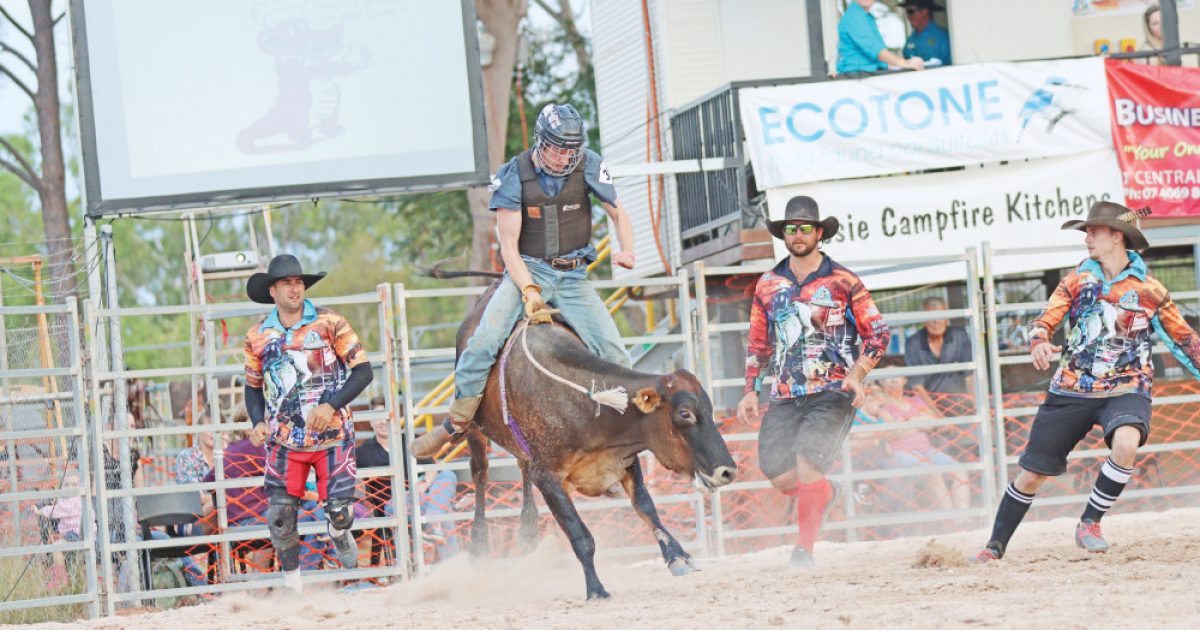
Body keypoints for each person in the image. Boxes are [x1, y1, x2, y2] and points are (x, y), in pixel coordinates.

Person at [974, 201, 1200, 562]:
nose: (1087, 239)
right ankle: (994, 546)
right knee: (1031, 475)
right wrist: (1039, 340)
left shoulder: (1150, 290)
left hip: (1128, 384)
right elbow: (1045, 320)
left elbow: (1185, 339)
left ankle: (1090, 522)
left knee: (1126, 443)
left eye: (1093, 232)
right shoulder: (1076, 281)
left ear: (1116, 236)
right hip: (1071, 387)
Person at [412, 103, 636, 457]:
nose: (563, 159)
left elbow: (617, 212)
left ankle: (624, 435)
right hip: (528, 270)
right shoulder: (514, 175)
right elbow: (509, 247)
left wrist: (627, 248)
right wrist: (529, 289)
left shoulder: (590, 164)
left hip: (575, 276)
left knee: (614, 352)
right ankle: (456, 422)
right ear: (540, 141)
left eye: (570, 152)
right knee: (484, 340)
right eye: (557, 149)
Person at [736, 195, 890, 568]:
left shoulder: (843, 280)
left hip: (834, 390)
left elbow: (878, 333)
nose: (798, 234)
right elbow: (759, 342)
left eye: (806, 227)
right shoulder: (768, 284)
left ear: (819, 233)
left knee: (807, 462)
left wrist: (857, 375)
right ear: (784, 234)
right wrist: (750, 391)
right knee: (776, 472)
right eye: (792, 228)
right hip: (786, 392)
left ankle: (803, 550)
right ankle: (823, 492)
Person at [242, 254, 374, 592]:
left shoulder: (330, 322)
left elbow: (363, 371)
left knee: (341, 510)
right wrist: (257, 421)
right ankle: (294, 588)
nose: (294, 288)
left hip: (333, 435)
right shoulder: (257, 336)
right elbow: (253, 386)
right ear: (272, 291)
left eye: (299, 282)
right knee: (281, 518)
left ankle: (339, 529)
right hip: (285, 440)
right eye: (287, 283)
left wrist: (330, 405)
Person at [904, 296, 975, 417]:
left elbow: (970, 376)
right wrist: (937, 414)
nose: (936, 322)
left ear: (947, 317)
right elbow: (917, 386)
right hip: (929, 407)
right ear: (923, 319)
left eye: (940, 316)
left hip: (961, 403)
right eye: (931, 317)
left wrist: (976, 406)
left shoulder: (959, 335)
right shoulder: (913, 343)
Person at [836, 0, 925, 75]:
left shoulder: (865, 16)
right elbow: (878, 52)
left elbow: (877, 54)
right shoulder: (855, 16)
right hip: (857, 77)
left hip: (865, 75)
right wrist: (905, 63)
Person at [899, 0, 951, 66]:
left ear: (924, 11)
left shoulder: (943, 37)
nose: (908, 17)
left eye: (910, 11)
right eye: (907, 12)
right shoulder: (910, 40)